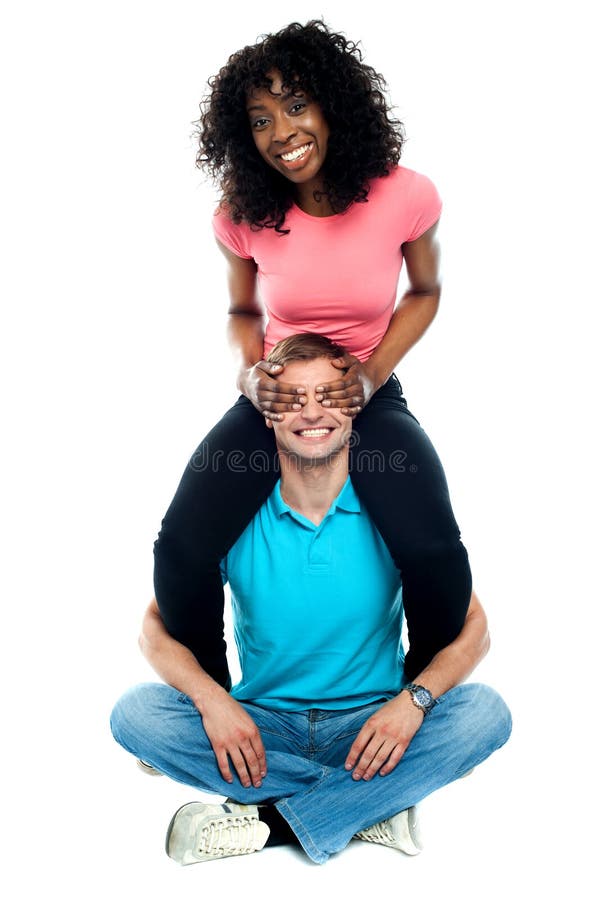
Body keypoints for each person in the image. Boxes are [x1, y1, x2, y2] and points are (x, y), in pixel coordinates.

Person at [152, 19, 473, 692]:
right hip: (276, 391)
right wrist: (250, 377)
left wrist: (372, 372)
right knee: (182, 545)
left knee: (431, 546)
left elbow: (424, 290)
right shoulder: (240, 214)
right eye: (261, 120)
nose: (282, 133)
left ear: (334, 104)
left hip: (366, 385)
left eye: (297, 105)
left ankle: (419, 703)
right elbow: (243, 311)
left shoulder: (404, 195)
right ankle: (208, 698)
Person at [111, 334, 512, 867]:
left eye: (329, 395)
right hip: (261, 727)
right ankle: (368, 807)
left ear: (355, 408)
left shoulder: (395, 515)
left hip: (371, 725)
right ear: (269, 416)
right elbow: (152, 628)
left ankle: (269, 822)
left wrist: (411, 705)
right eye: (293, 400)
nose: (313, 413)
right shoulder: (236, 519)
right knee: (136, 715)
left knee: (484, 713)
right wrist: (215, 702)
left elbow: (476, 626)